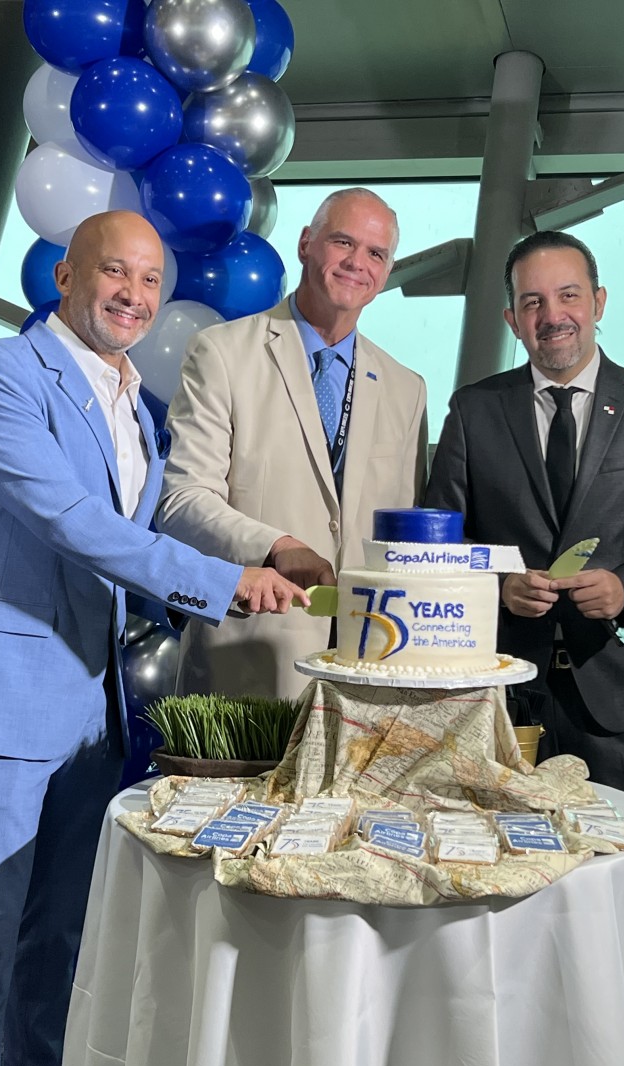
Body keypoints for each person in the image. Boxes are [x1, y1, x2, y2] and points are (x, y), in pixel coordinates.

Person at [0, 210, 305, 1066]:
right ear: (64, 278)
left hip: (91, 705)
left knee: (55, 941)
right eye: (112, 272)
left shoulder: (131, 402)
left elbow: (146, 524)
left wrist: (263, 551)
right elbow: (76, 524)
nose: (132, 292)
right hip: (5, 695)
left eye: (147, 277)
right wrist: (229, 583)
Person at [424, 230, 624, 818]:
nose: (552, 315)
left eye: (568, 296)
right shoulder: (474, 410)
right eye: (533, 302)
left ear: (599, 302)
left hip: (617, 700)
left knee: (623, 859)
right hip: (500, 694)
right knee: (495, 859)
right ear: (512, 318)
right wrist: (499, 586)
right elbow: (440, 545)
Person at [156, 187, 429, 699]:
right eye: (342, 242)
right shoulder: (221, 353)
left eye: (376, 253)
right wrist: (277, 546)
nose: (357, 263)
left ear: (387, 270)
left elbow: (405, 538)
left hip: (366, 672)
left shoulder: (407, 388)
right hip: (245, 662)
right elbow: (182, 501)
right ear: (306, 243)